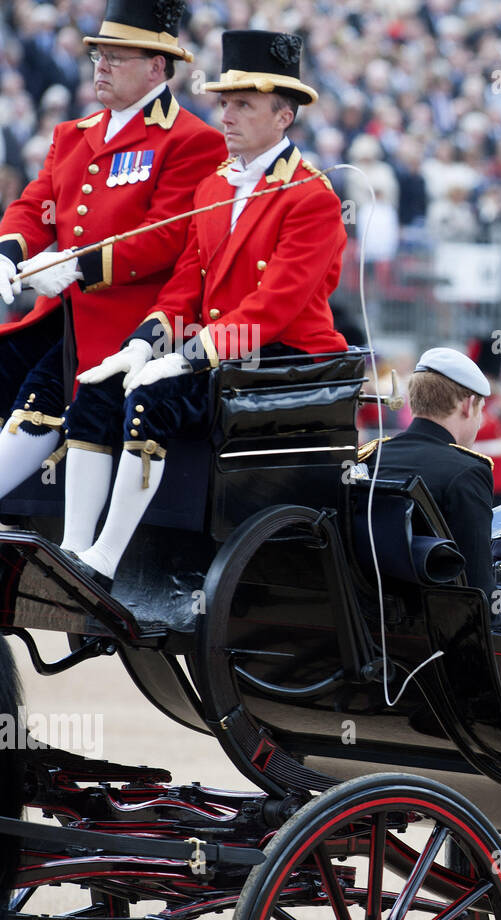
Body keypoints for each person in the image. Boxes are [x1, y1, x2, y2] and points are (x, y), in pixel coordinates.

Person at [67, 29, 345, 586]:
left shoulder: (312, 196)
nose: (227, 115)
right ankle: (73, 551)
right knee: (97, 388)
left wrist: (190, 356)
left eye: (243, 104)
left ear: (283, 117)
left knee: (151, 398)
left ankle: (106, 560)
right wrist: (143, 343)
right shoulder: (214, 187)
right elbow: (185, 283)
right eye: (224, 102)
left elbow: (274, 308)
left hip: (278, 357)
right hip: (216, 348)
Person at [0, 0, 226, 532]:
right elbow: (37, 206)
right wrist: (11, 250)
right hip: (65, 312)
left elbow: (166, 236)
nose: (99, 65)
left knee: (42, 395)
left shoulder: (193, 140)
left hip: (131, 323)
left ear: (156, 66)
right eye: (98, 54)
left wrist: (77, 266)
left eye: (115, 57)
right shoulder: (73, 134)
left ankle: (77, 552)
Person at [362, 347, 495, 596]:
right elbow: (478, 587)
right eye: (481, 409)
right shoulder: (467, 471)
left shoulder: (371, 456)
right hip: (439, 624)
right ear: (468, 405)